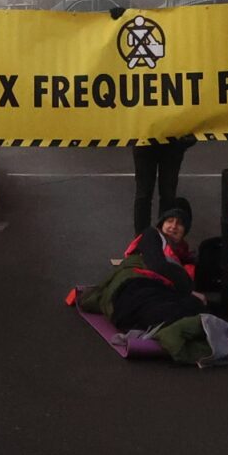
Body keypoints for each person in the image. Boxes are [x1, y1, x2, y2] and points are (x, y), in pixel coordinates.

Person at [77, 198, 203, 332]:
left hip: (156, 290)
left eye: (179, 223)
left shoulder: (183, 255)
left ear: (185, 230)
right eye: (169, 221)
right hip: (133, 286)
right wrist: (188, 290)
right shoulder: (152, 235)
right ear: (162, 223)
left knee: (195, 307)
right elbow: (158, 266)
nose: (173, 226)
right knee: (172, 311)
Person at [131, 136, 196, 238]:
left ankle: (165, 240)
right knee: (145, 194)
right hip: (145, 140)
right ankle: (141, 241)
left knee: (166, 194)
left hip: (172, 142)